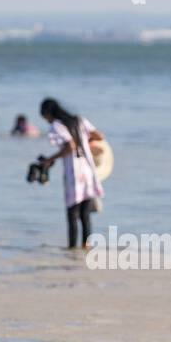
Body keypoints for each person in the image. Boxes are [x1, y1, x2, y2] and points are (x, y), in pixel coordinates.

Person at [40, 97, 104, 248]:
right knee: (85, 214)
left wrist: (50, 159)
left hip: (74, 173)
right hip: (88, 170)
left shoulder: (57, 126)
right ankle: (86, 247)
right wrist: (85, 143)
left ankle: (72, 249)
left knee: (72, 215)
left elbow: (70, 145)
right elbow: (99, 136)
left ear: (48, 114)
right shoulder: (79, 120)